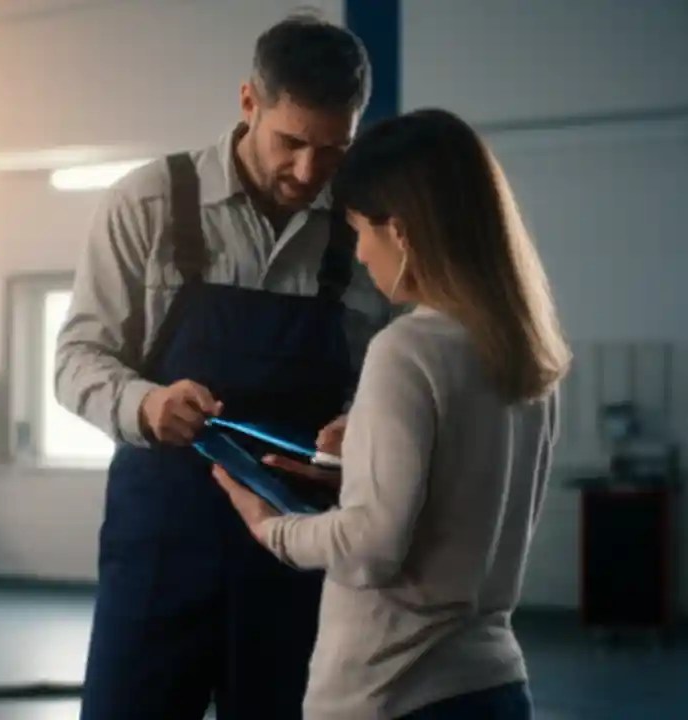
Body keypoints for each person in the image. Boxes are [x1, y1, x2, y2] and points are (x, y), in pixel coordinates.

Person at [55, 13, 393, 719]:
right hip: (160, 544)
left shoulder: (364, 229)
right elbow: (76, 359)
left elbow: (386, 378)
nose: (309, 172)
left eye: (334, 149)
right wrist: (144, 404)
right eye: (291, 142)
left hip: (298, 549)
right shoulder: (149, 203)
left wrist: (358, 428)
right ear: (248, 103)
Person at [214, 107, 571, 720]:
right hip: (494, 687)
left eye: (360, 229)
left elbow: (372, 547)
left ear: (401, 233)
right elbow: (459, 505)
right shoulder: (526, 353)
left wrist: (272, 528)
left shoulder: (407, 349)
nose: (359, 252)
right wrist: (361, 467)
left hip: (395, 694)